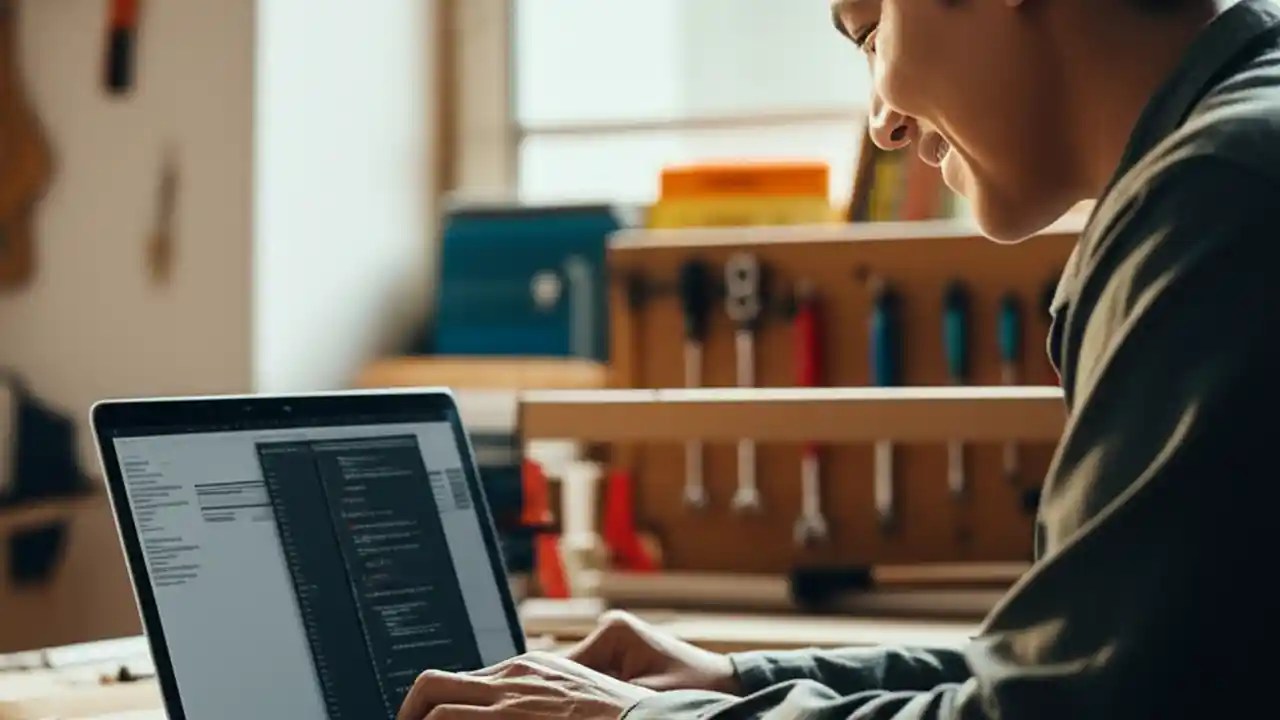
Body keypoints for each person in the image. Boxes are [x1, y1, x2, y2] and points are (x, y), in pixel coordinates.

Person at [398, 0, 1279, 717]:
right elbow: (1098, 660)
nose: (884, 123)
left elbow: (1068, 708)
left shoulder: (1217, 202)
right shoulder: (1232, 154)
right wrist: (736, 683)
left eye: (870, 34)